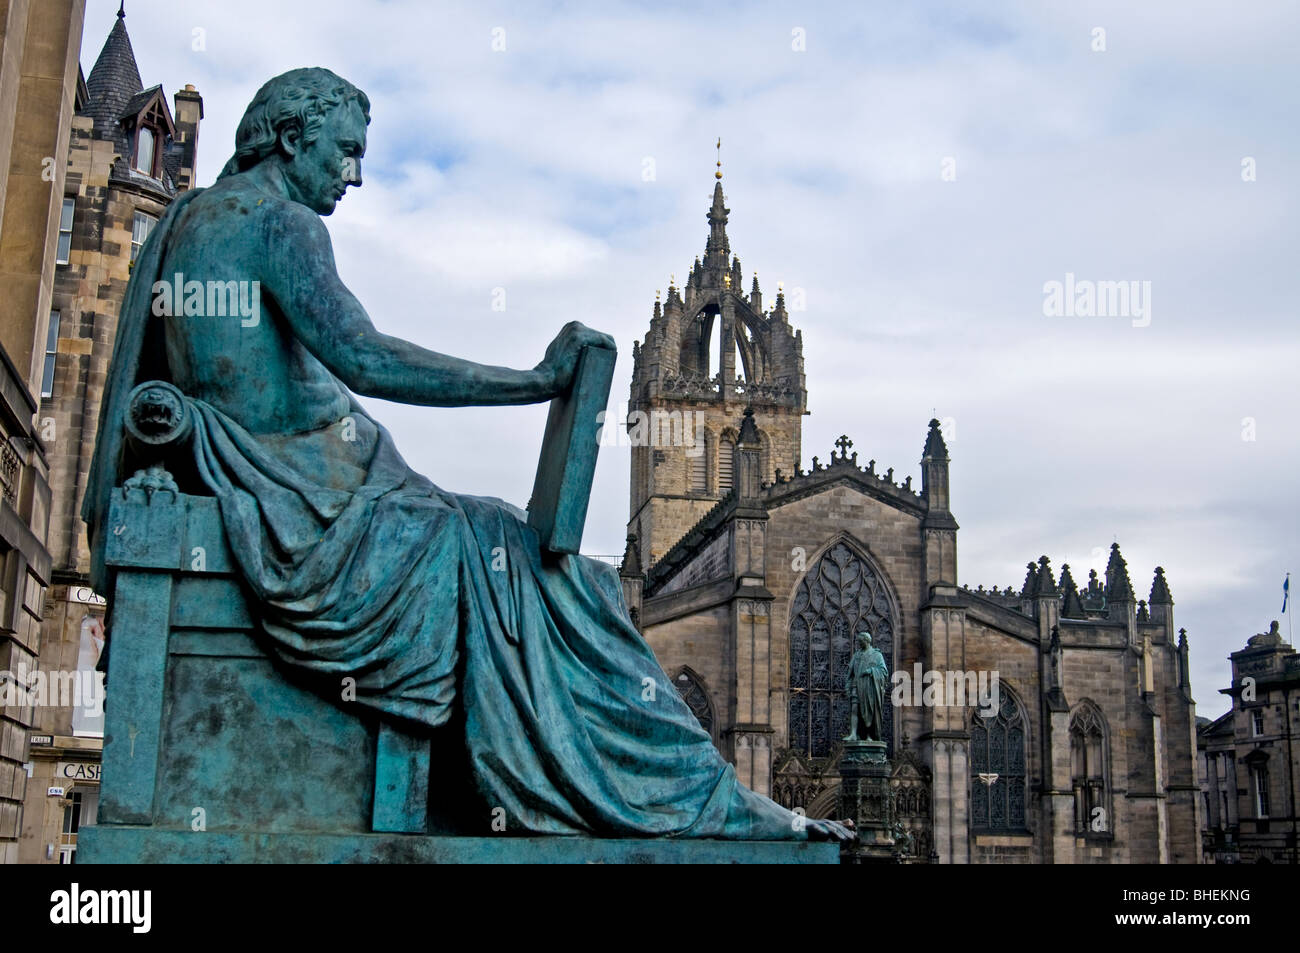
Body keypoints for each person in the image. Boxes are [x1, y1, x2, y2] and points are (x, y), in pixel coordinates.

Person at [83, 68, 852, 843]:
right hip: (307, 501)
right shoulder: (280, 224)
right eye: (345, 152)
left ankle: (691, 796)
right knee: (556, 582)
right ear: (291, 138)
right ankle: (689, 802)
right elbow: (367, 357)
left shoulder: (188, 220)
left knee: (543, 569)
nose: (352, 174)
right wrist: (537, 382)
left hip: (290, 487)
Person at [844, 631, 888, 743]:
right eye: (858, 641)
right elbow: (851, 671)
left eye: (860, 641)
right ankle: (853, 734)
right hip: (856, 685)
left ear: (867, 641)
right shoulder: (857, 655)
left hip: (869, 687)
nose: (859, 643)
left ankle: (869, 735)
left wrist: (871, 671)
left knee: (869, 711)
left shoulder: (877, 655)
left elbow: (883, 671)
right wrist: (847, 685)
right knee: (854, 709)